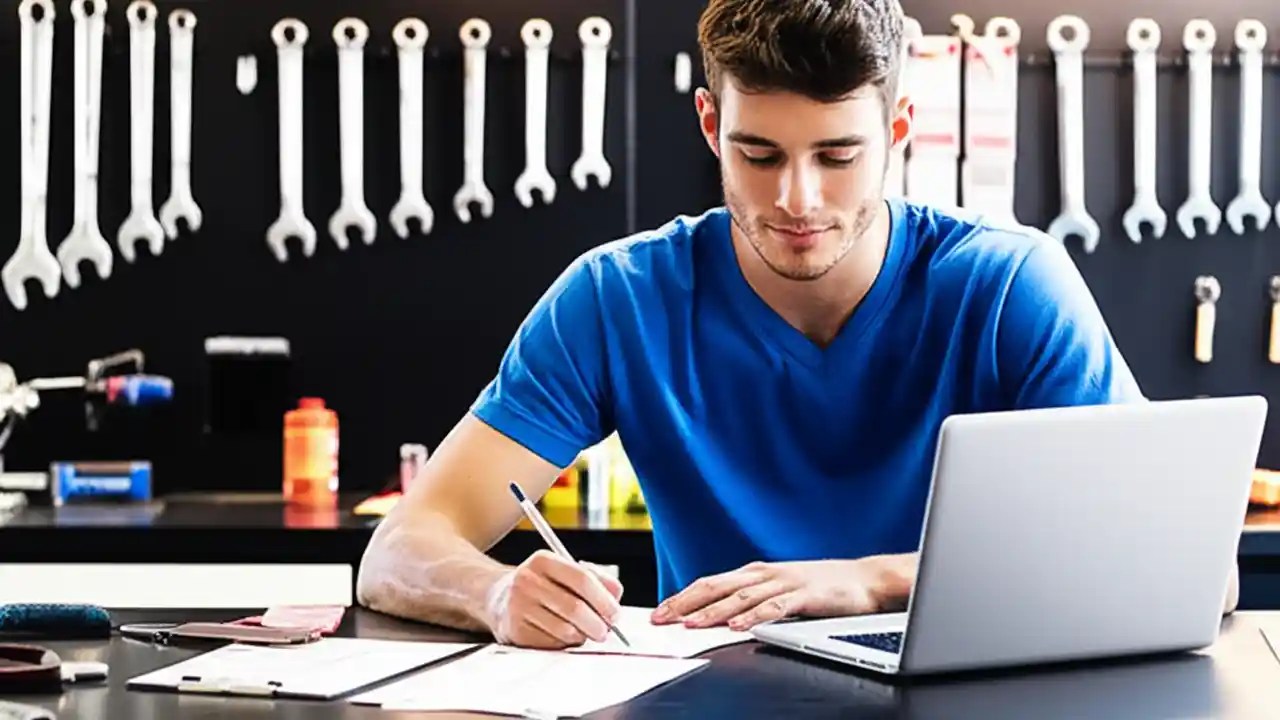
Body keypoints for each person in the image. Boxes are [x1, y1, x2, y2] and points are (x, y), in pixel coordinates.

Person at [357, 0, 1237, 649]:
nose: (796, 199)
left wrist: (867, 582)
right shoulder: (616, 296)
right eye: (759, 153)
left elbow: (1192, 568)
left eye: (838, 155)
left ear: (896, 128)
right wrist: (497, 596)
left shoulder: (1011, 286)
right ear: (711, 125)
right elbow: (401, 549)